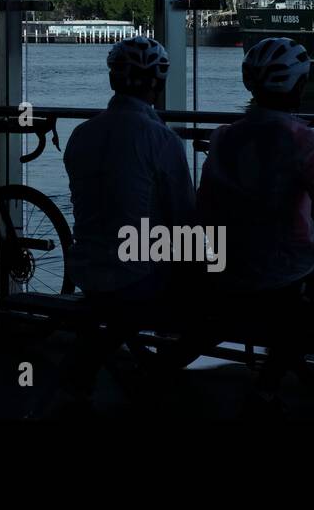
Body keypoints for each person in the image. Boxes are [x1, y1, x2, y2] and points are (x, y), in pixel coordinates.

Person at [39, 35, 194, 417]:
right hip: (137, 277)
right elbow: (185, 222)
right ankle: (156, 371)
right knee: (209, 288)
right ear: (158, 86)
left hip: (86, 271)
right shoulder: (162, 140)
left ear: (113, 81)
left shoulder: (81, 135)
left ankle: (88, 375)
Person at [196, 36, 314, 413]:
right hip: (283, 280)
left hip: (227, 277)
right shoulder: (307, 143)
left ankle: (272, 384)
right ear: (299, 86)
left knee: (281, 307)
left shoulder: (224, 137)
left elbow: (206, 206)